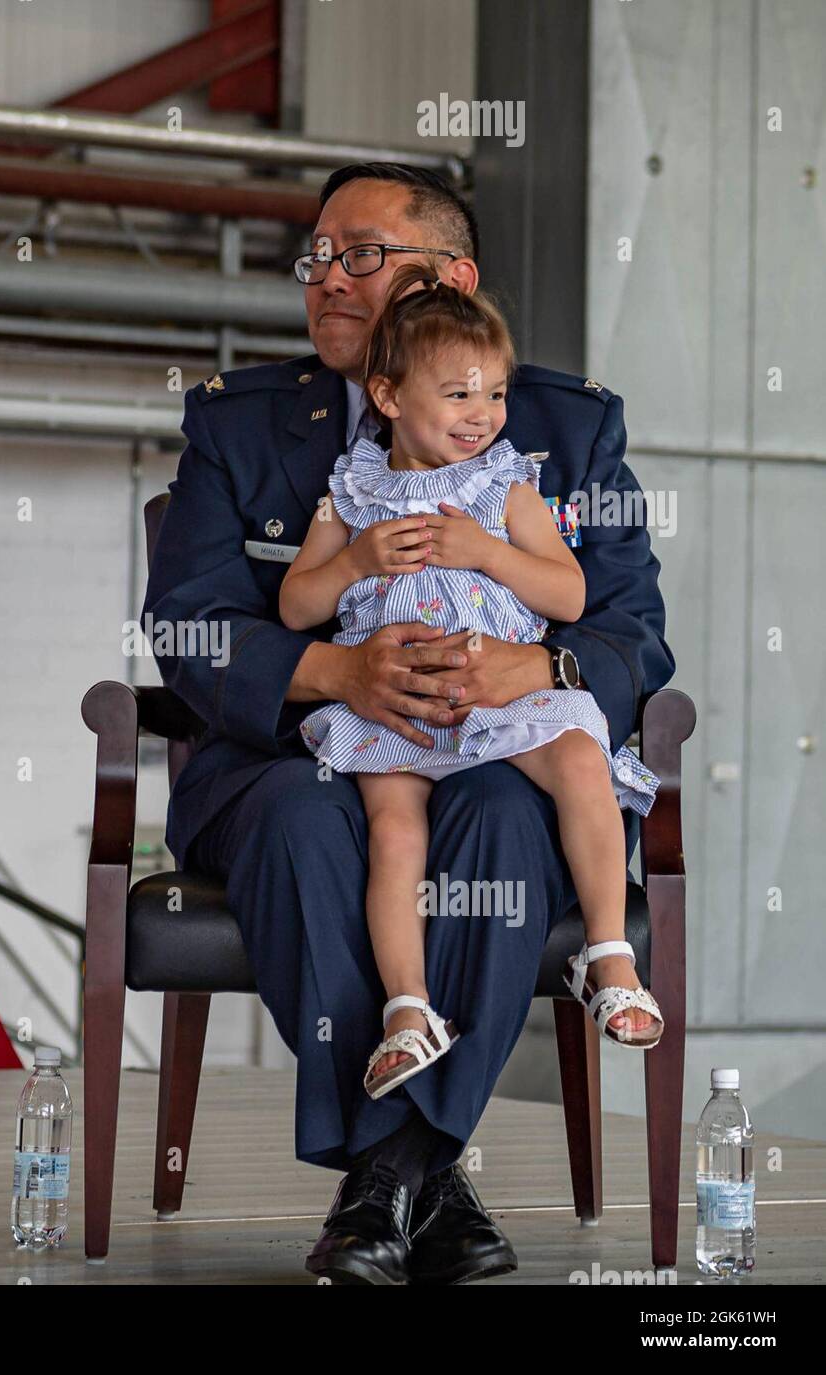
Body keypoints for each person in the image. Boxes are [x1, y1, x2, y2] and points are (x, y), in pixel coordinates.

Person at [142, 163, 674, 1284]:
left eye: (361, 255)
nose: (327, 280)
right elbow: (185, 631)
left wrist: (529, 664)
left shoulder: (561, 430)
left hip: (495, 738)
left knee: (496, 815)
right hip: (291, 757)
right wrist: (337, 671)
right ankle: (420, 1176)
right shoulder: (239, 426)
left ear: (453, 278)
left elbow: (633, 629)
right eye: (316, 257)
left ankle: (389, 1183)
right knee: (304, 821)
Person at [279, 258, 665, 1110]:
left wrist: (488, 552)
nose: (483, 415)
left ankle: (608, 953)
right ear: (387, 398)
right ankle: (408, 1010)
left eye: (493, 395)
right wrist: (353, 563)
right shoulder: (350, 492)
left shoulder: (505, 484)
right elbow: (296, 600)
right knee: (394, 833)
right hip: (395, 712)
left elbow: (568, 593)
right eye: (459, 395)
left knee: (577, 759)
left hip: (503, 700)